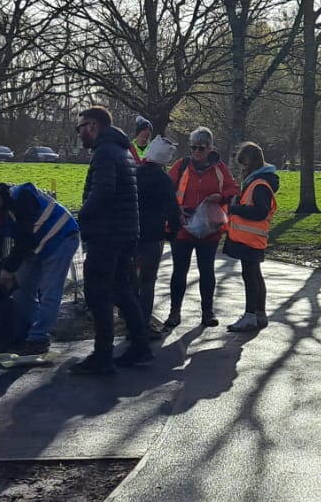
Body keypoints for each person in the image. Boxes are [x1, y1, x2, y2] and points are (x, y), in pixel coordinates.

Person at [69, 106, 149, 375]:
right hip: (126, 232)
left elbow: (103, 192)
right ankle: (140, 346)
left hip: (108, 234)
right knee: (121, 290)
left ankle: (102, 356)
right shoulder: (122, 150)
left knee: (98, 294)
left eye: (80, 128)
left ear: (92, 126)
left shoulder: (104, 152)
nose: (79, 134)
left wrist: (81, 217)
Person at [0, 180, 81, 356]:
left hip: (61, 237)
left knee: (49, 291)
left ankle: (38, 339)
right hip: (37, 244)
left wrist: (7, 270)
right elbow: (0, 246)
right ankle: (28, 332)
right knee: (22, 290)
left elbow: (24, 239)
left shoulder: (22, 197)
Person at [165, 127, 238, 329]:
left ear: (210, 148)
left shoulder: (219, 168)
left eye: (201, 148)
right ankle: (174, 312)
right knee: (179, 271)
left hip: (209, 229)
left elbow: (232, 188)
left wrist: (220, 196)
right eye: (193, 147)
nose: (196, 152)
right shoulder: (181, 166)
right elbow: (167, 190)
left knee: (207, 271)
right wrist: (176, 209)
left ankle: (207, 312)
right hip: (183, 227)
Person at [222, 142, 278, 331]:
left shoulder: (259, 184)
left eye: (244, 164)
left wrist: (235, 208)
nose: (243, 168)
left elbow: (260, 211)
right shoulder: (259, 182)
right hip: (253, 238)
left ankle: (250, 315)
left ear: (252, 163)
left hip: (250, 238)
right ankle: (259, 314)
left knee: (251, 277)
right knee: (255, 276)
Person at [133, 136, 182, 333]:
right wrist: (174, 232)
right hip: (154, 235)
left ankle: (130, 317)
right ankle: (143, 321)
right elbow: (172, 208)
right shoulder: (164, 180)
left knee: (132, 278)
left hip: (132, 232)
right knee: (148, 280)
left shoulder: (134, 174)